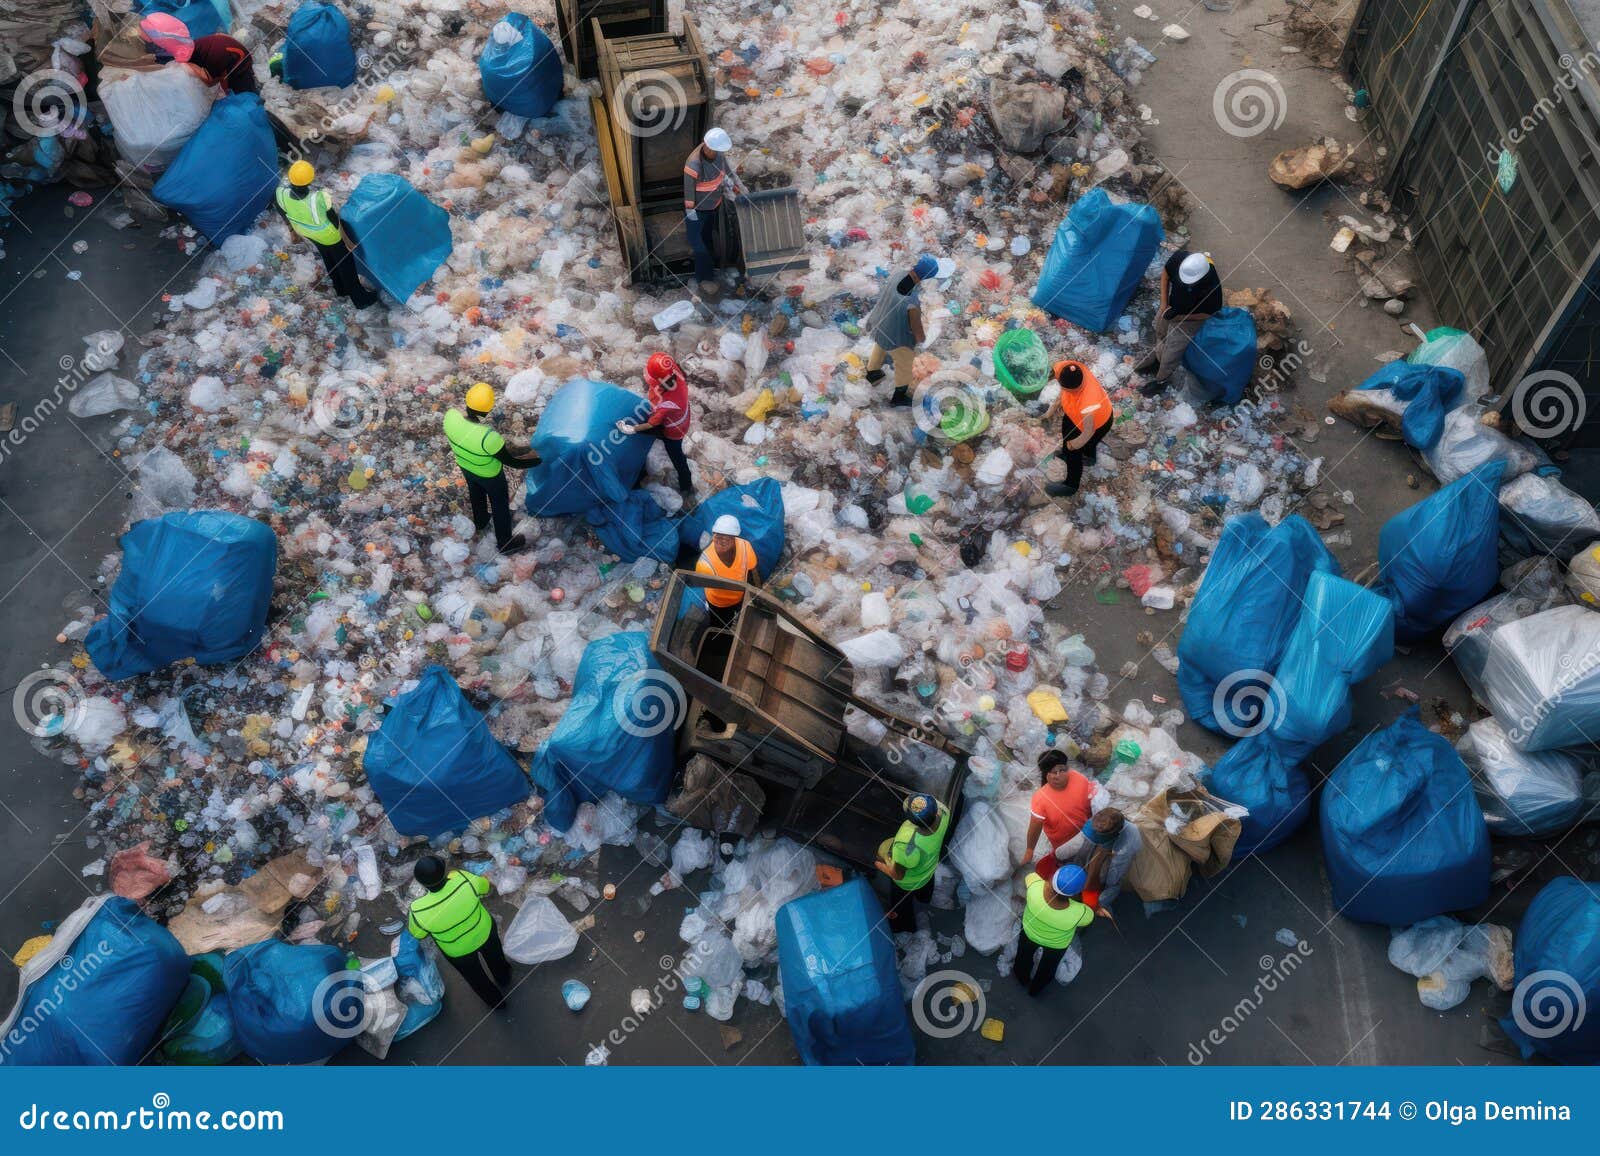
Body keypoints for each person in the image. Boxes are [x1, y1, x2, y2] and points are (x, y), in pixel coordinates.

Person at [443, 382, 541, 556]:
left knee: (476, 493)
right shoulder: (489, 437)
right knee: (499, 505)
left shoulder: (450, 417)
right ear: (487, 410)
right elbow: (512, 462)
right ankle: (505, 543)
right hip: (490, 475)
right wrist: (537, 461)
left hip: (466, 466)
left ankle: (480, 522)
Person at [406, 855, 513, 1008]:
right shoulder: (463, 879)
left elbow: (418, 934)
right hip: (484, 931)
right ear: (445, 873)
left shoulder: (418, 909)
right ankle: (505, 978)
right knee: (497, 959)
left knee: (476, 979)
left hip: (458, 951)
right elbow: (485, 887)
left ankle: (497, 1003)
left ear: (422, 884)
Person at [275, 161, 379, 308]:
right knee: (345, 264)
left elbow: (281, 210)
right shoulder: (318, 198)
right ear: (310, 180)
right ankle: (360, 299)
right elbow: (333, 219)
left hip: (307, 232)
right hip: (329, 236)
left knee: (327, 257)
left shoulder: (281, 193)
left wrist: (293, 228)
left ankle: (340, 289)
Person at [1138, 250, 1222, 394]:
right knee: (1160, 331)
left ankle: (1162, 379)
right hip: (1171, 309)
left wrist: (1184, 317)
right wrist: (1164, 304)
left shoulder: (1211, 287)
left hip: (1191, 318)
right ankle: (1157, 361)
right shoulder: (1180, 259)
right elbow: (1166, 273)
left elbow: (1209, 313)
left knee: (1172, 352)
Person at [615, 352, 694, 496]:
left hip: (673, 432)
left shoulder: (666, 404)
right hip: (682, 416)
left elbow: (651, 424)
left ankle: (687, 487)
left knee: (677, 457)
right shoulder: (674, 371)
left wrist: (632, 429)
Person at [863, 254, 937, 407]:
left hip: (879, 323)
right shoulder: (912, 301)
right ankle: (899, 396)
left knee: (880, 346)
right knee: (904, 363)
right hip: (896, 336)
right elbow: (916, 327)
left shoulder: (898, 275)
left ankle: (872, 373)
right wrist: (921, 341)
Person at [682, 127, 748, 296]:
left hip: (713, 206)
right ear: (708, 147)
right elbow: (688, 191)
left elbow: (729, 173)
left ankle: (712, 269)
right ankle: (703, 277)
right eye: (717, 151)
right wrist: (691, 212)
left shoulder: (719, 155)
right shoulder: (694, 164)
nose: (719, 153)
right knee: (698, 245)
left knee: (709, 239)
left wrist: (741, 189)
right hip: (697, 211)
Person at [1014, 864, 1094, 996]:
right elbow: (1089, 917)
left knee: (1023, 956)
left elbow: (1030, 877)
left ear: (1052, 879)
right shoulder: (1080, 912)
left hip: (1029, 933)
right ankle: (1035, 990)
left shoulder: (1035, 888)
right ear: (1075, 894)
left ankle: (1021, 978)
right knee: (1047, 968)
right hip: (1056, 945)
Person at [876, 793, 950, 933]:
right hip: (928, 871)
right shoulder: (944, 813)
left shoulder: (906, 846)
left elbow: (897, 874)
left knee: (901, 906)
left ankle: (905, 926)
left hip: (908, 883)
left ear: (913, 821)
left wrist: (881, 863)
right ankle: (924, 901)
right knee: (924, 890)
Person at [1019, 750, 1095, 877]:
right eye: (1054, 772)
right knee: (1071, 869)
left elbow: (1090, 801)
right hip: (1064, 845)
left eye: (1062, 770)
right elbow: (1035, 826)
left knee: (1089, 862)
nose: (1059, 775)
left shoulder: (1079, 778)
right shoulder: (1040, 798)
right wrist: (1030, 850)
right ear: (1046, 774)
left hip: (1086, 833)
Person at [1047, 359, 1113, 498]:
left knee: (1075, 452)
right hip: (1074, 414)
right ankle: (1088, 456)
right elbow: (1052, 373)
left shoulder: (1089, 400)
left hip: (1099, 423)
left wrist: (1073, 445)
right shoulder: (1069, 367)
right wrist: (1051, 410)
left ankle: (1071, 486)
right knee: (1067, 431)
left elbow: (1088, 432)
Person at [1055, 807, 1142, 912]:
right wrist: (1056, 855)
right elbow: (1074, 845)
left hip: (1119, 851)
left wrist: (1092, 884)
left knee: (1112, 879)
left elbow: (1110, 869)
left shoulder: (1127, 842)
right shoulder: (1099, 820)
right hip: (1105, 842)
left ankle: (1103, 905)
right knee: (1084, 854)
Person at [695, 514, 759, 625]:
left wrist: (758, 594)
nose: (720, 540)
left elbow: (754, 572)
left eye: (725, 537)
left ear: (734, 538)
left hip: (739, 597)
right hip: (719, 604)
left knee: (740, 618)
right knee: (720, 625)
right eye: (717, 535)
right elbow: (700, 584)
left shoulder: (745, 547)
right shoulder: (704, 563)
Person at [190, 32, 258, 94]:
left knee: (242, 92)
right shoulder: (196, 46)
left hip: (241, 66)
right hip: (232, 54)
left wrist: (225, 94)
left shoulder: (214, 56)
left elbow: (212, 81)